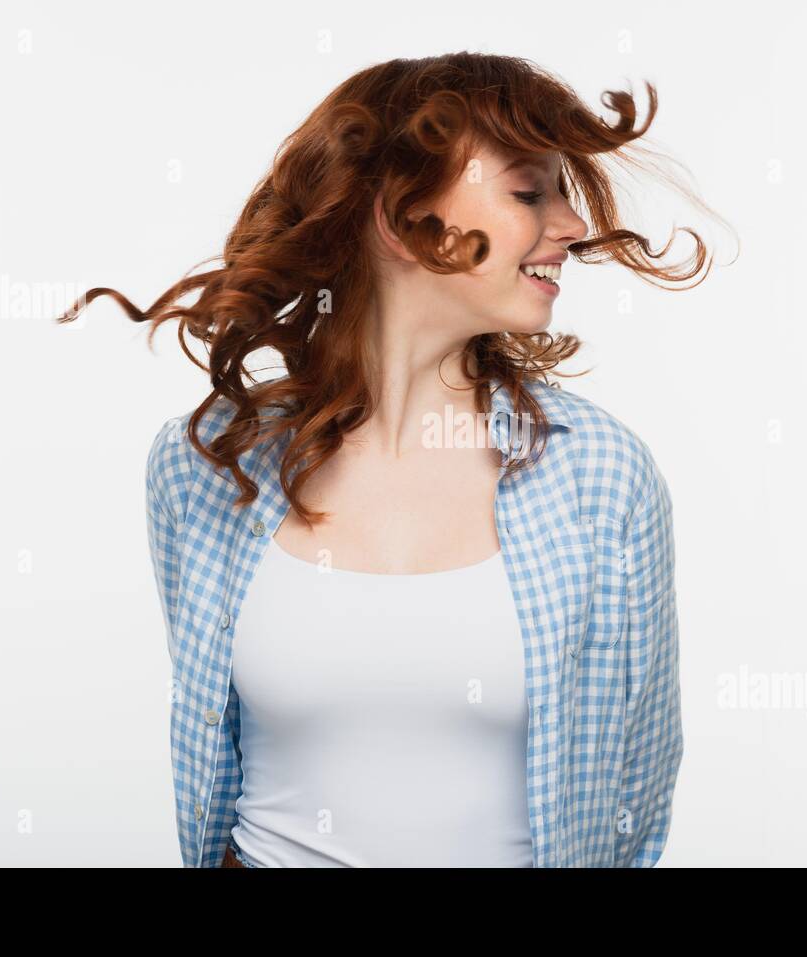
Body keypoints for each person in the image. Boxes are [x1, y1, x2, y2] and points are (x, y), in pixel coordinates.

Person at [62, 52, 730, 867]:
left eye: (562, 191)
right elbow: (214, 759)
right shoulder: (208, 465)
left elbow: (635, 795)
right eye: (529, 192)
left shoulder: (603, 478)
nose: (571, 225)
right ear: (402, 216)